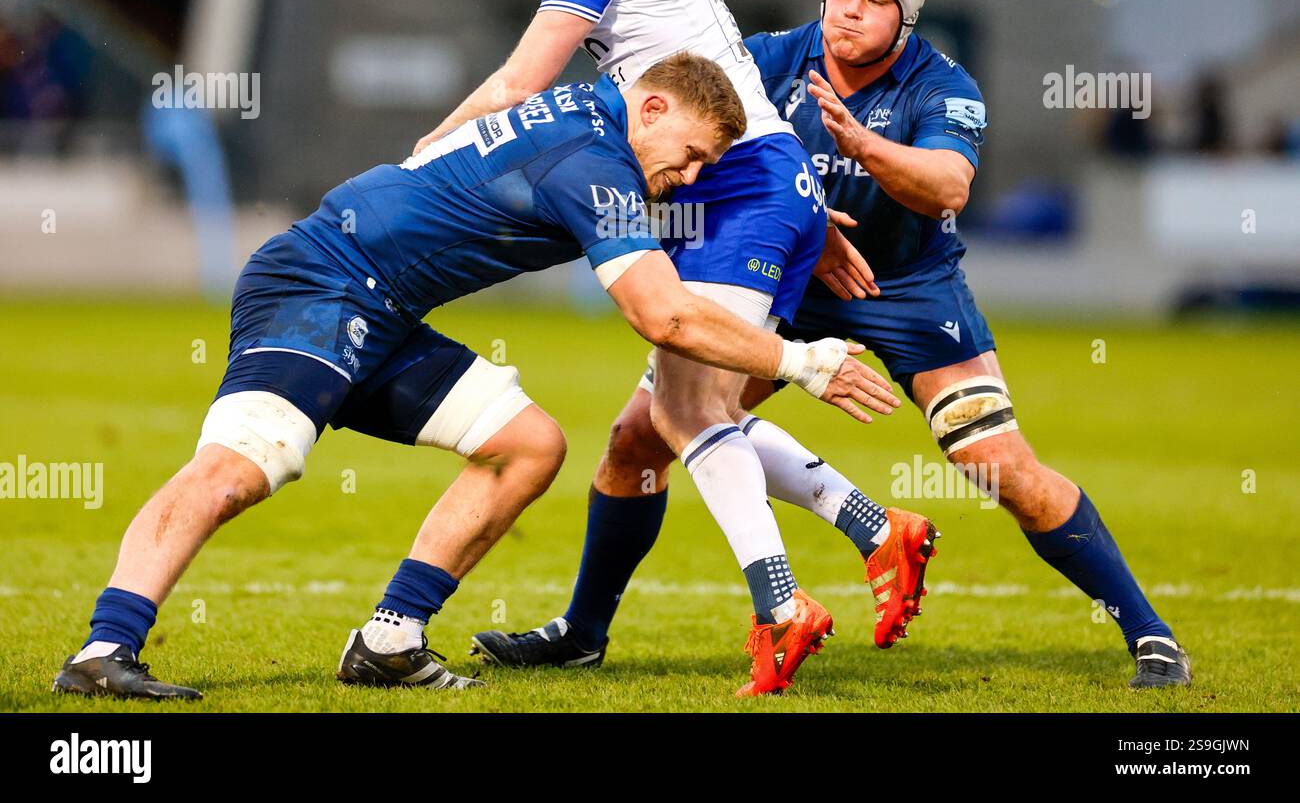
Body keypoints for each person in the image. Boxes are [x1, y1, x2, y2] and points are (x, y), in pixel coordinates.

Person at [264, 0, 931, 697]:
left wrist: (430, 155)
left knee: (689, 410)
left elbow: (516, 83)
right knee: (644, 432)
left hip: (736, 181)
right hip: (751, 184)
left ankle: (781, 608)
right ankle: (863, 530)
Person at [52, 55, 897, 700]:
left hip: (381, 306)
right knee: (243, 466)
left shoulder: (598, 129)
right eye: (692, 153)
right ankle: (104, 648)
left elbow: (502, 105)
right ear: (652, 106)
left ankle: (390, 638)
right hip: (321, 281)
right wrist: (801, 360)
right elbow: (664, 316)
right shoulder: (595, 165)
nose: (695, 174)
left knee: (527, 445)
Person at [487, 0, 1192, 690]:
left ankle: (1151, 634)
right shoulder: (769, 58)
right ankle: (585, 631)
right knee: (637, 438)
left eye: (874, 1)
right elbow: (698, 140)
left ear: (907, 17)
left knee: (997, 466)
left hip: (909, 288)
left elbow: (949, 187)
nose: (849, 14)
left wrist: (863, 146)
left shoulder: (942, 84)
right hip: (786, 280)